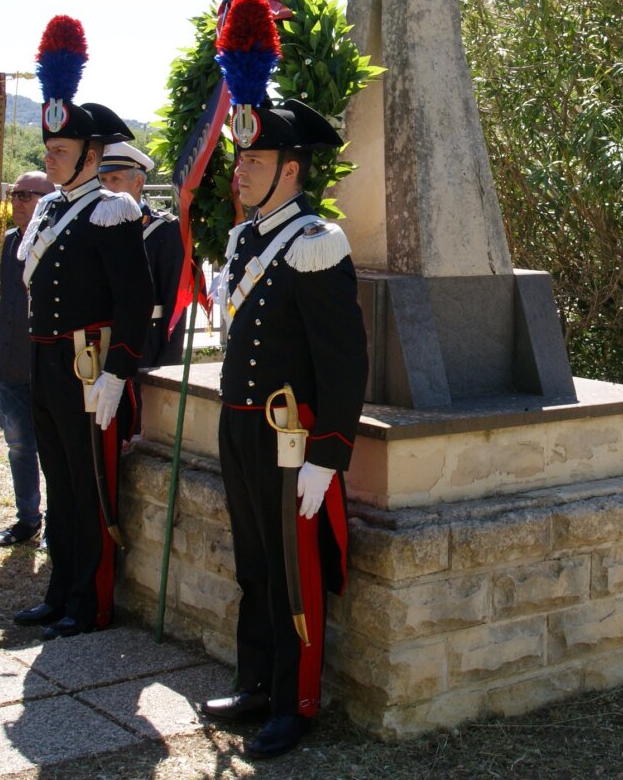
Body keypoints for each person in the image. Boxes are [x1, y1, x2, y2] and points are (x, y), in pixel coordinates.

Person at [199, 99, 368, 759]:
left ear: (290, 171)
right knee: (255, 564)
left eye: (257, 160)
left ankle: (294, 703)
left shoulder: (316, 242)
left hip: (290, 437)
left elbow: (344, 362)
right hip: (240, 425)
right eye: (240, 158)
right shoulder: (246, 238)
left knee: (295, 572)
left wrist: (328, 455)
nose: (240, 171)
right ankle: (256, 684)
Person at [13, 100, 153, 640]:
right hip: (45, 359)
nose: (49, 159)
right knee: (59, 480)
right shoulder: (51, 209)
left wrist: (118, 373)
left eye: (61, 151)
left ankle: (89, 601)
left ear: (90, 157)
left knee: (89, 483)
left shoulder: (112, 210)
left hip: (87, 365)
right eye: (48, 149)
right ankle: (59, 592)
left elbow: (134, 301)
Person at [0, 168, 54, 549]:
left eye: (27, 195)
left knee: (53, 450)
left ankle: (58, 525)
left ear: (48, 200)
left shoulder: (59, 242)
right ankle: (28, 520)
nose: (18, 201)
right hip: (10, 365)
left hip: (47, 367)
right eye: (15, 193)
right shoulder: (5, 244)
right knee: (19, 448)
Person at [99, 142, 186, 370]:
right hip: (99, 343)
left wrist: (170, 363)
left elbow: (175, 299)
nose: (106, 188)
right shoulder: (93, 224)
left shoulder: (163, 229)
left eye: (115, 179)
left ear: (138, 182)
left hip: (145, 344)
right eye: (103, 180)